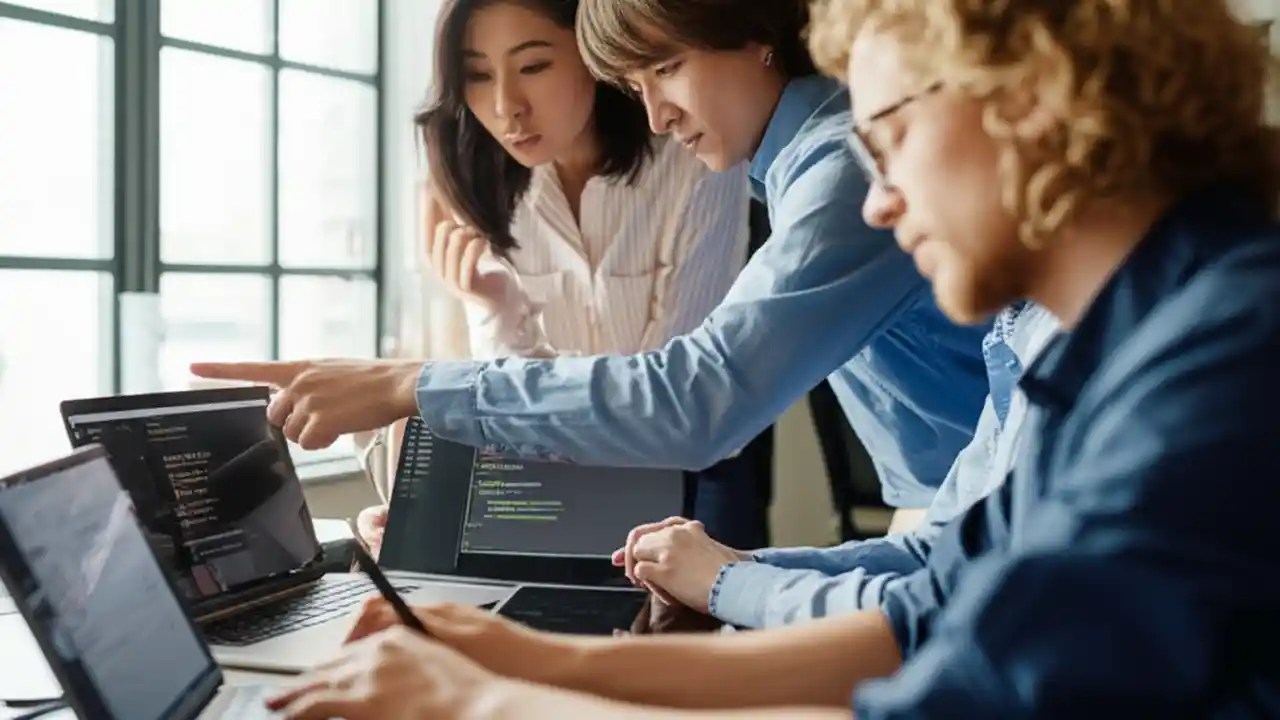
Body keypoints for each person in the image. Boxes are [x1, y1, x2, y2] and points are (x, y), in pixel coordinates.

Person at [259, 0, 1280, 717]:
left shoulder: (1218, 355)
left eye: (888, 133)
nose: (877, 200)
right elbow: (936, 598)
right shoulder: (1103, 344)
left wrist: (502, 702)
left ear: (1030, 97)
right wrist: (539, 663)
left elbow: (957, 690)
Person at [192, 0, 992, 530]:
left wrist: (412, 383)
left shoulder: (834, 167)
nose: (655, 111)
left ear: (756, 32)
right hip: (941, 511)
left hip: (963, 508)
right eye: (635, 83)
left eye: (667, 68)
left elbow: (691, 398)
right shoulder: (781, 166)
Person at [354, 0, 770, 552]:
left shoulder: (694, 150)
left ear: (595, 54)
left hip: (694, 473)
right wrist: (494, 310)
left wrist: (520, 370)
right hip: (553, 471)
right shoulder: (474, 185)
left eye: (533, 67)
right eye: (478, 75)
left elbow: (667, 402)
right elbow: (498, 409)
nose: (506, 107)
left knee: (685, 624)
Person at [617, 302, 1059, 627]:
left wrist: (723, 582)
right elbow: (937, 551)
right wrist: (742, 565)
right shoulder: (1020, 331)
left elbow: (948, 614)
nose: (877, 207)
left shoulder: (1076, 356)